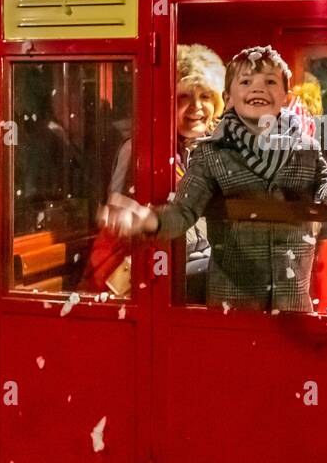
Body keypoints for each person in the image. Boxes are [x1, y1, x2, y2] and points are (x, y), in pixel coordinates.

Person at [99, 45, 327, 313]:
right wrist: (151, 220)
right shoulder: (211, 153)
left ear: (285, 96)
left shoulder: (305, 148)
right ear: (229, 96)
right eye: (246, 81)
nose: (258, 88)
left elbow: (323, 187)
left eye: (270, 81)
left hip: (292, 304)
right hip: (233, 304)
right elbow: (183, 211)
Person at [89, 45, 226, 300]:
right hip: (155, 276)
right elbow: (119, 221)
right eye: (184, 97)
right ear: (167, 101)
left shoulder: (219, 151)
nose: (197, 107)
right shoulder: (139, 149)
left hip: (200, 268)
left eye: (205, 97)